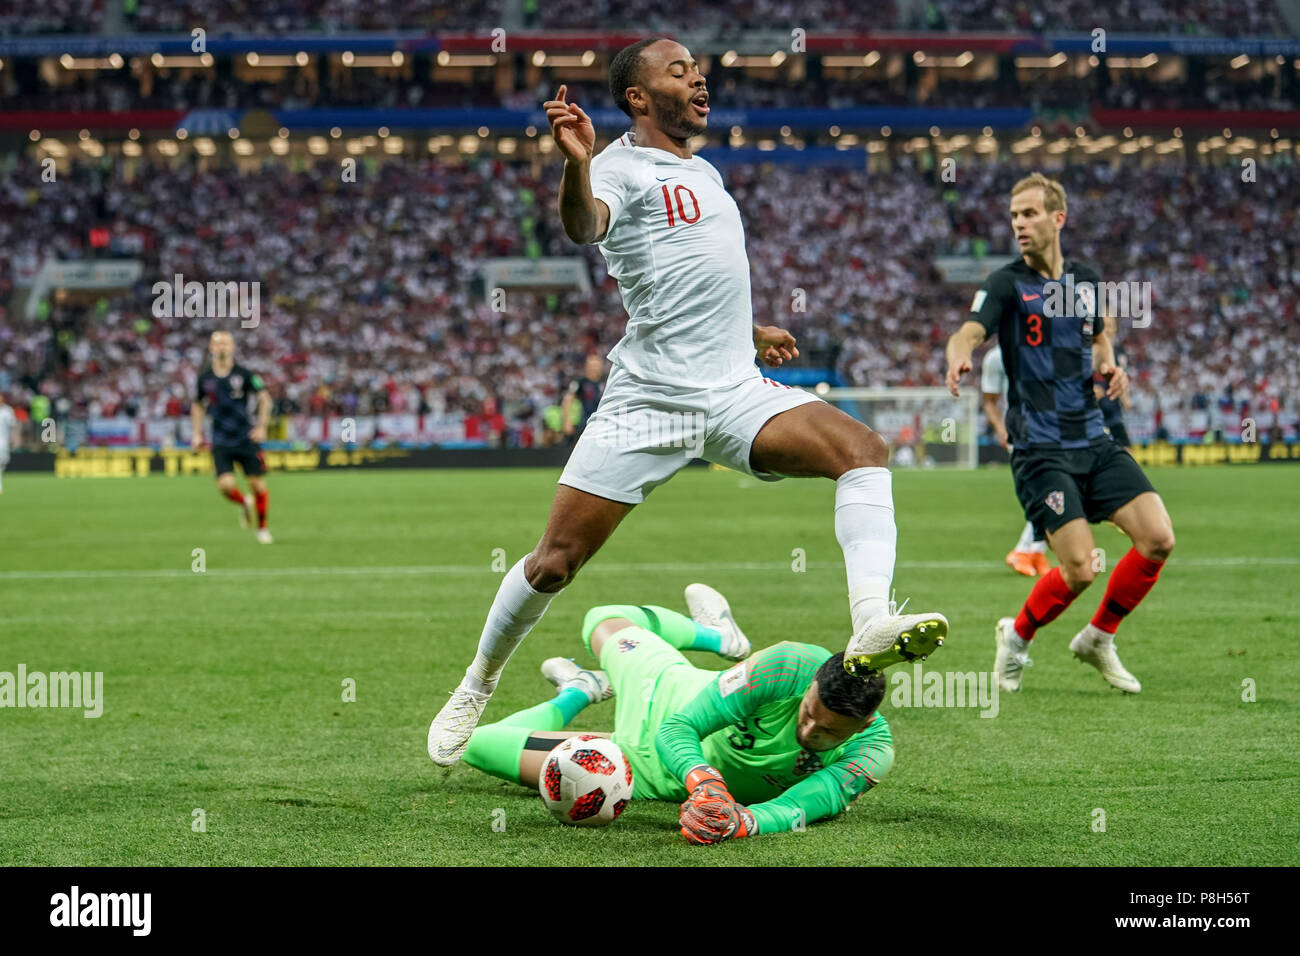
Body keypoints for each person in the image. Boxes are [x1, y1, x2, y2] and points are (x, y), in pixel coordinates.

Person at [428, 37, 946, 767]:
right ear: (637, 98)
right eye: (678, 70)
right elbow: (584, 226)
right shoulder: (613, 166)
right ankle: (477, 683)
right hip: (652, 399)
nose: (698, 76)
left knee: (863, 452)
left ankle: (869, 626)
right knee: (554, 563)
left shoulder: (703, 170)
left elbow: (693, 274)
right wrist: (576, 167)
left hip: (735, 390)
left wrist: (750, 329)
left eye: (697, 67)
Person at [945, 172, 1175, 695]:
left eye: (1028, 213)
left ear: (1058, 218)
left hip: (1092, 439)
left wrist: (1111, 366)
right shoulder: (1007, 284)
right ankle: (1017, 637)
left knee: (1158, 539)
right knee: (1079, 569)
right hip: (1041, 450)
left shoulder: (1086, 281)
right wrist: (959, 356)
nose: (1018, 224)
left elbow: (1099, 339)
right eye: (1013, 215)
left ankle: (1098, 637)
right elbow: (969, 331)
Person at [462, 584, 894, 844]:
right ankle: (716, 636)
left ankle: (581, 686)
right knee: (602, 619)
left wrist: (744, 821)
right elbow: (679, 727)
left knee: (475, 745)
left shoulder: (873, 750)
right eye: (807, 713)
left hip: (635, 767)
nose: (809, 728)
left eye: (828, 730)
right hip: (664, 694)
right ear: (812, 685)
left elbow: (801, 804)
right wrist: (704, 781)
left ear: (861, 724)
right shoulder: (788, 665)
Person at [191, 331, 273, 544]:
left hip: (245, 438)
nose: (222, 347)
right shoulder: (205, 379)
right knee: (225, 486)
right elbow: (198, 405)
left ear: (233, 347)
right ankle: (244, 502)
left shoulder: (245, 375)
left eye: (226, 343)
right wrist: (197, 433)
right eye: (217, 343)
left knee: (258, 486)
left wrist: (262, 426)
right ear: (210, 348)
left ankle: (262, 529)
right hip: (220, 440)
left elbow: (265, 398)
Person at [981, 344, 1050, 577]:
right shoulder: (996, 357)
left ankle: (1035, 550)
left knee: (1054, 492)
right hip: (1021, 433)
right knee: (1048, 492)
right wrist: (1001, 429)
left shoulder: (1050, 344)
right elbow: (989, 401)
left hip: (1056, 429)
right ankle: (1025, 550)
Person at [561, 353, 607, 443]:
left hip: (603, 425)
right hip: (585, 424)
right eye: (592, 365)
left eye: (597, 365)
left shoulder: (605, 383)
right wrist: (567, 422)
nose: (595, 368)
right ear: (586, 367)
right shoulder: (580, 382)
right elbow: (568, 400)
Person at [0, 394, 17, 494]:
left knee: (4, 462)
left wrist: (14, 439)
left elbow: (13, 425)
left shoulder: (8, 410)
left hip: (4, 441)